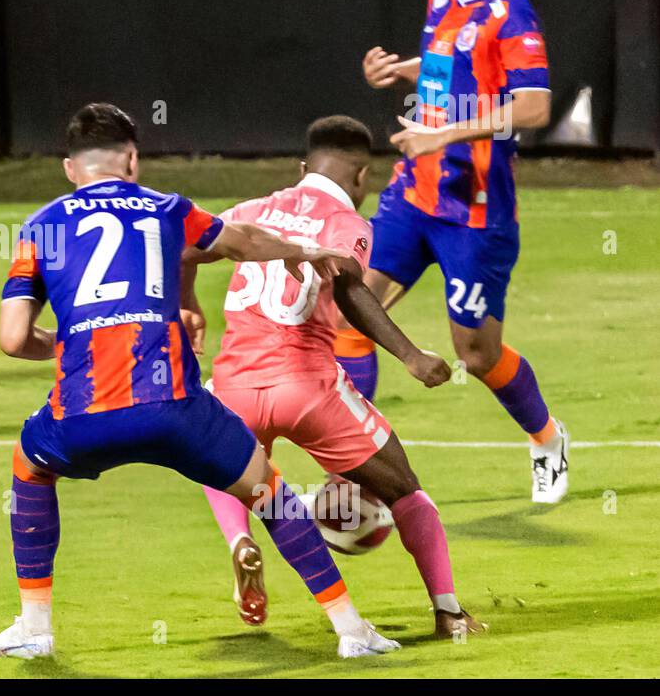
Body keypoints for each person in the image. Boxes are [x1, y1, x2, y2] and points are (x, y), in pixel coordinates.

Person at [0, 104, 400, 660]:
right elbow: (240, 240)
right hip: (174, 406)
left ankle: (34, 628)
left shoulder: (41, 227)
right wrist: (306, 249)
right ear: (131, 160)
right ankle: (351, 629)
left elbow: (11, 338)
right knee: (268, 489)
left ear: (69, 169)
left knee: (29, 466)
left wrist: (72, 343)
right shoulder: (166, 209)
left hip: (82, 413)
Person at [183, 116, 486, 639]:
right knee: (407, 491)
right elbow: (349, 289)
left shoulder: (252, 210)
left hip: (234, 384)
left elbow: (186, 247)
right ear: (363, 177)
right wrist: (411, 355)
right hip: (306, 387)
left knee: (222, 458)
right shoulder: (348, 225)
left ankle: (239, 540)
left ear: (303, 167)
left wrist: (187, 306)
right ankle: (449, 614)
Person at [341, 0, 567, 504]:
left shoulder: (515, 17)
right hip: (412, 199)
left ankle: (547, 437)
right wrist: (398, 71)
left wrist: (446, 137)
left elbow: (533, 108)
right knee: (353, 312)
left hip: (474, 215)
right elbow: (447, 63)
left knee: (475, 353)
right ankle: (356, 467)